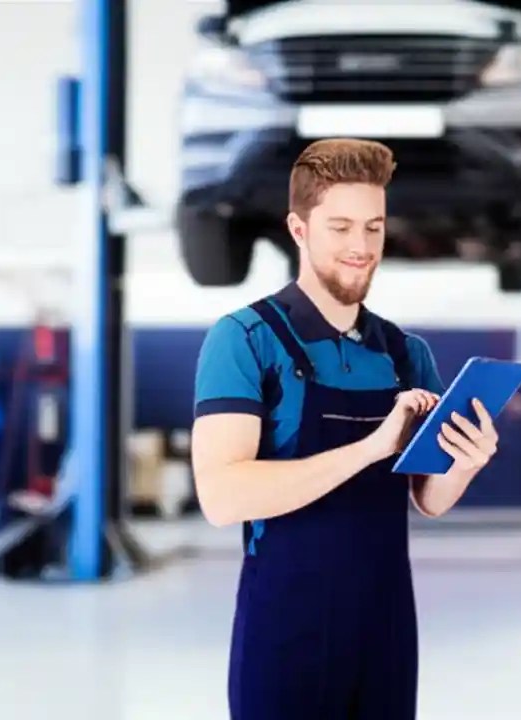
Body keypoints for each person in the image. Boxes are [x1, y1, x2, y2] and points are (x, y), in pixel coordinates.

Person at [191, 138, 503, 719]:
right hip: (285, 630)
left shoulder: (406, 354)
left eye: (374, 228)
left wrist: (466, 461)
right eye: (340, 228)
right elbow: (221, 495)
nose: (361, 247)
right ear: (299, 228)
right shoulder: (244, 340)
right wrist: (370, 448)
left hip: (384, 629)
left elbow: (427, 499)